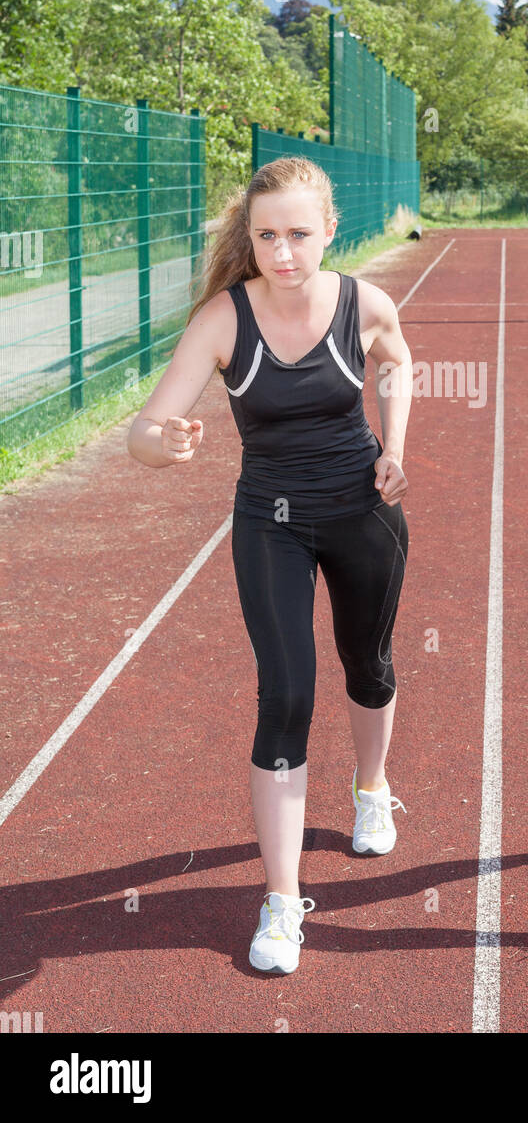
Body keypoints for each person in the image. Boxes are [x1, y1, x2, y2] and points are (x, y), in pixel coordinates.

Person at [127, 156, 414, 975]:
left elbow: (396, 362)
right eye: (265, 236)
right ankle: (284, 902)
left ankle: (370, 789)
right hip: (271, 524)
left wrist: (395, 445)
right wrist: (166, 443)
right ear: (248, 240)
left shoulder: (365, 302)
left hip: (365, 515)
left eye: (297, 234)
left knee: (370, 663)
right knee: (286, 691)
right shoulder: (225, 319)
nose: (282, 252)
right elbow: (147, 429)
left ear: (330, 229)